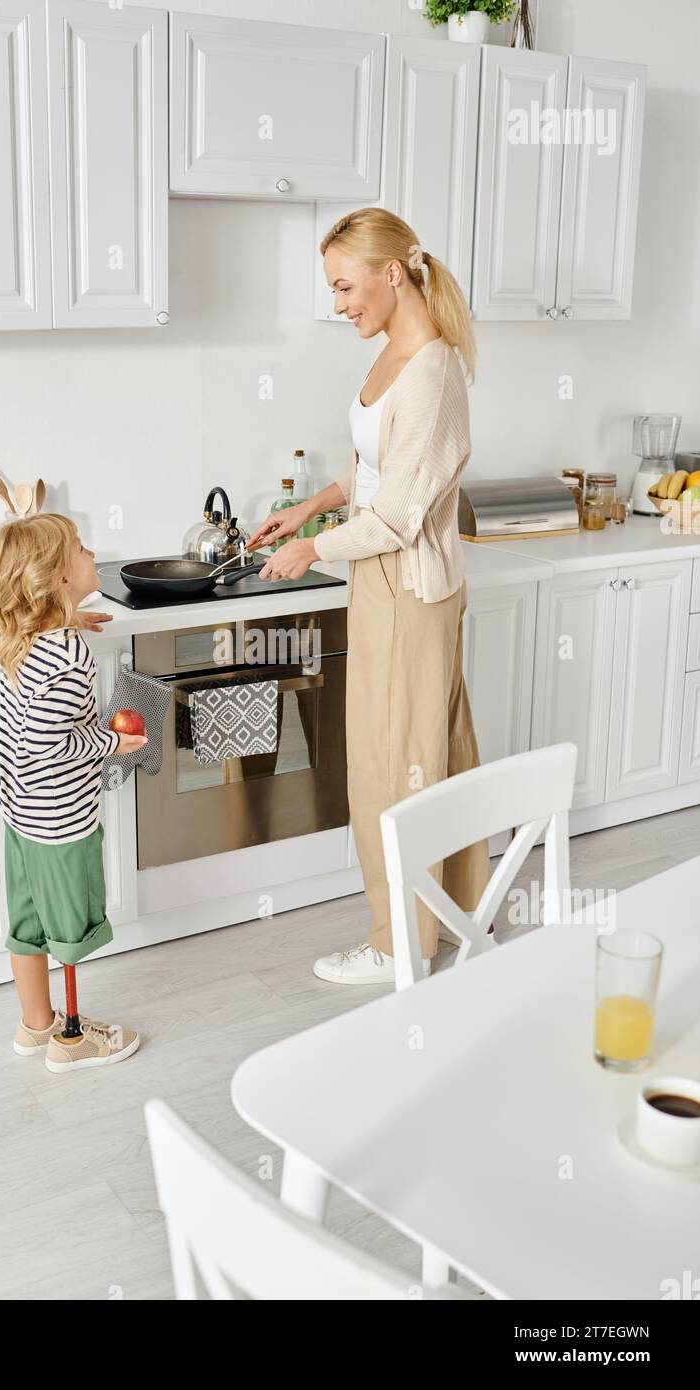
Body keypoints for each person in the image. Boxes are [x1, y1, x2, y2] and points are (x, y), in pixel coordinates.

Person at [247, 208, 491, 985]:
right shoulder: (394, 354)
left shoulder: (433, 371)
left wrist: (310, 549)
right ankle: (448, 917)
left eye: (346, 285)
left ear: (392, 273)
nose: (340, 302)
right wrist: (313, 506)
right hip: (381, 579)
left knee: (399, 766)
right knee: (415, 753)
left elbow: (393, 516)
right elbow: (372, 469)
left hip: (407, 585)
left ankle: (401, 945)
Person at [0, 513, 148, 1068]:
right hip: (61, 819)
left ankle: (35, 1025)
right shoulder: (69, 656)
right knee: (70, 930)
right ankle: (72, 1040)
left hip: (20, 812)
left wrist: (66, 615)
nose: (92, 551)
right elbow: (45, 746)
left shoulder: (15, 627)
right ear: (57, 578)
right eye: (80, 547)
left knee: (28, 923)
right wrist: (111, 745)